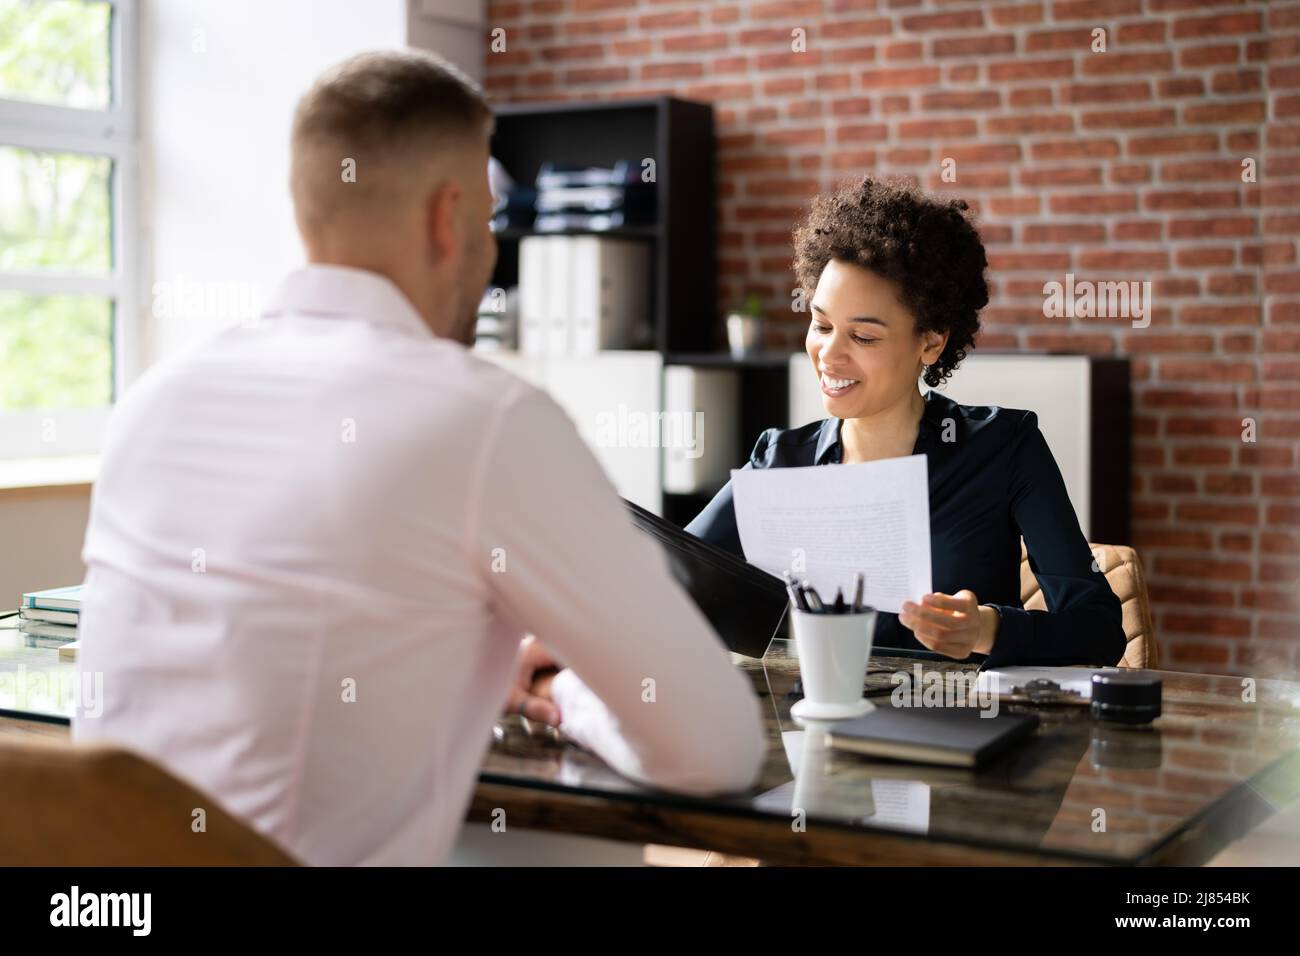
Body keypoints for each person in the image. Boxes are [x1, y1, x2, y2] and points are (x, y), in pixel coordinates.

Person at [72, 50, 765, 866]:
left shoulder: (152, 400)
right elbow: (716, 748)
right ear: (448, 218)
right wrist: (560, 688)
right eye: (489, 220)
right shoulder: (486, 418)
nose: (491, 250)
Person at [687, 177, 1126, 669]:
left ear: (931, 343)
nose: (828, 354)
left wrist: (985, 629)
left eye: (864, 337)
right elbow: (669, 576)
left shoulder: (1005, 448)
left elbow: (1099, 630)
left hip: (954, 715)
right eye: (822, 324)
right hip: (806, 713)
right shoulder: (780, 461)